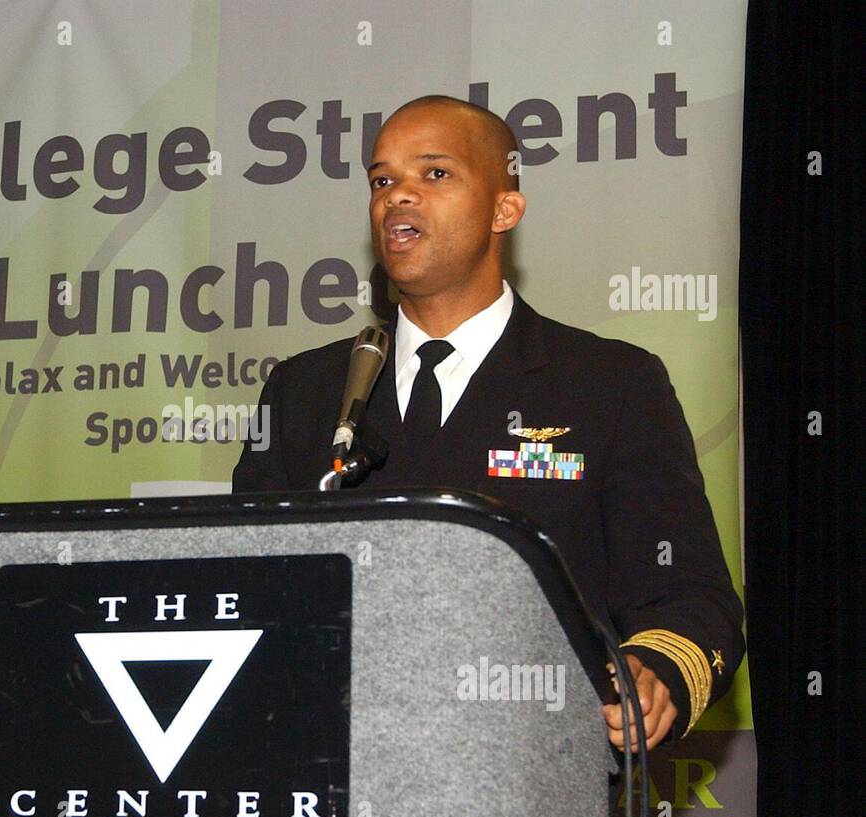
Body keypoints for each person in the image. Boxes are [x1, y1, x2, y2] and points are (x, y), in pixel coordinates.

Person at [232, 95, 745, 753]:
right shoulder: (304, 392)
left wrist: (658, 675)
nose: (397, 197)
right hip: (328, 773)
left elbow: (689, 597)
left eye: (435, 174)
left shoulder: (610, 384)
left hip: (537, 772)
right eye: (383, 180)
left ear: (505, 208)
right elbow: (242, 587)